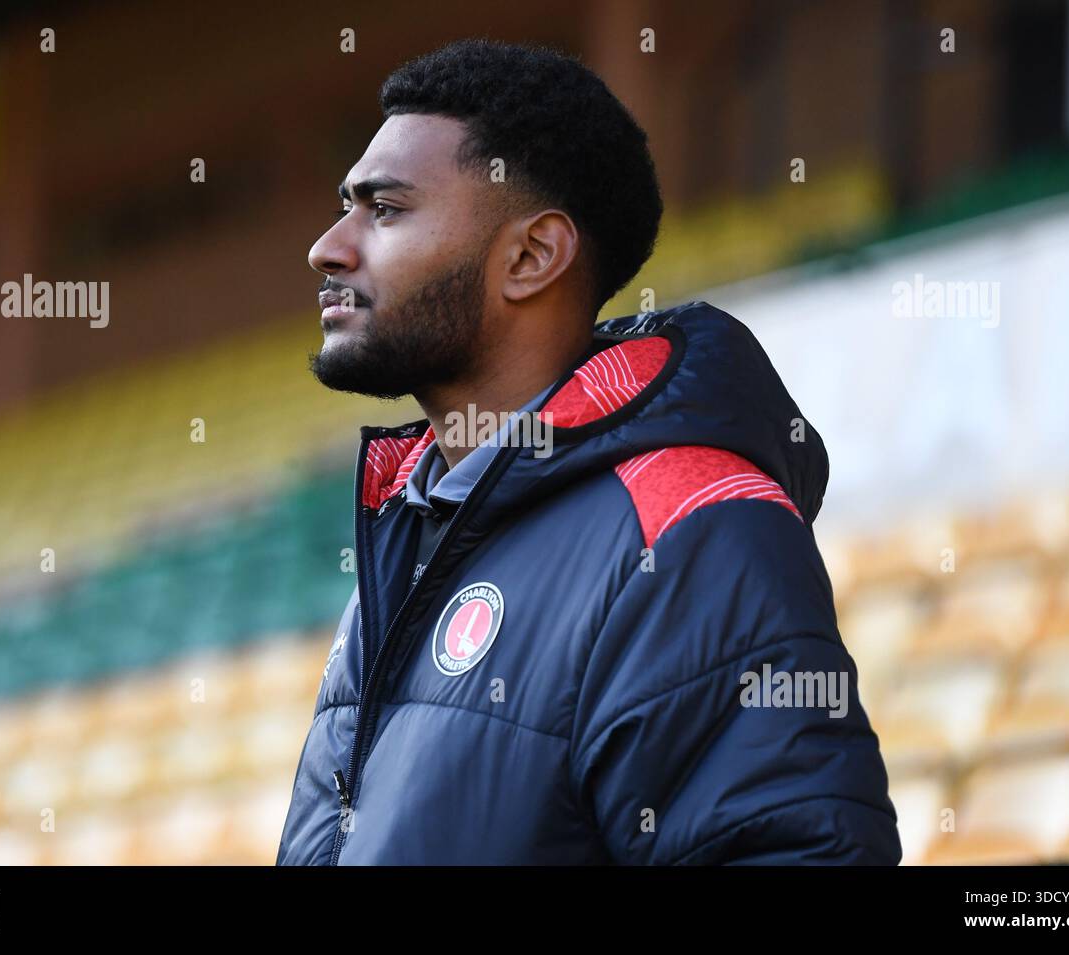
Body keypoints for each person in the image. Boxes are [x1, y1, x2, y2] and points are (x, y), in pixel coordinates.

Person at [277, 38, 900, 865]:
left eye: (383, 210)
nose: (330, 247)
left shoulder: (683, 525)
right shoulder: (407, 531)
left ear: (532, 256)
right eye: (345, 206)